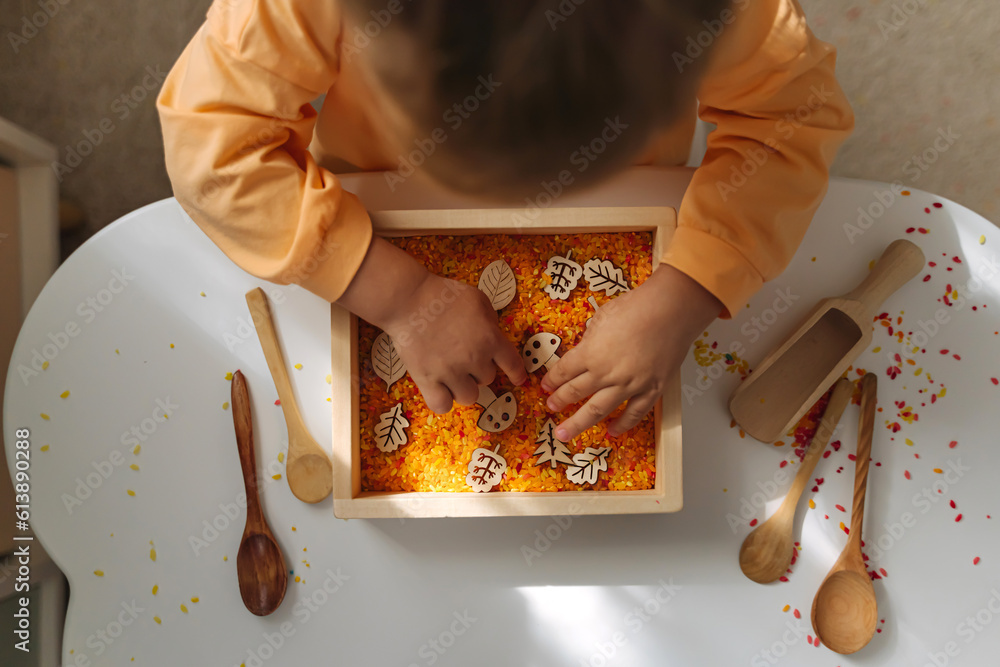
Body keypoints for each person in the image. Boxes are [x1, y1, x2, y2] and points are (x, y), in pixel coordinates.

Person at [157, 0, 854, 442]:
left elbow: (792, 119)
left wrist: (689, 289)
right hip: (383, 204)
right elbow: (211, 151)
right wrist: (393, 291)